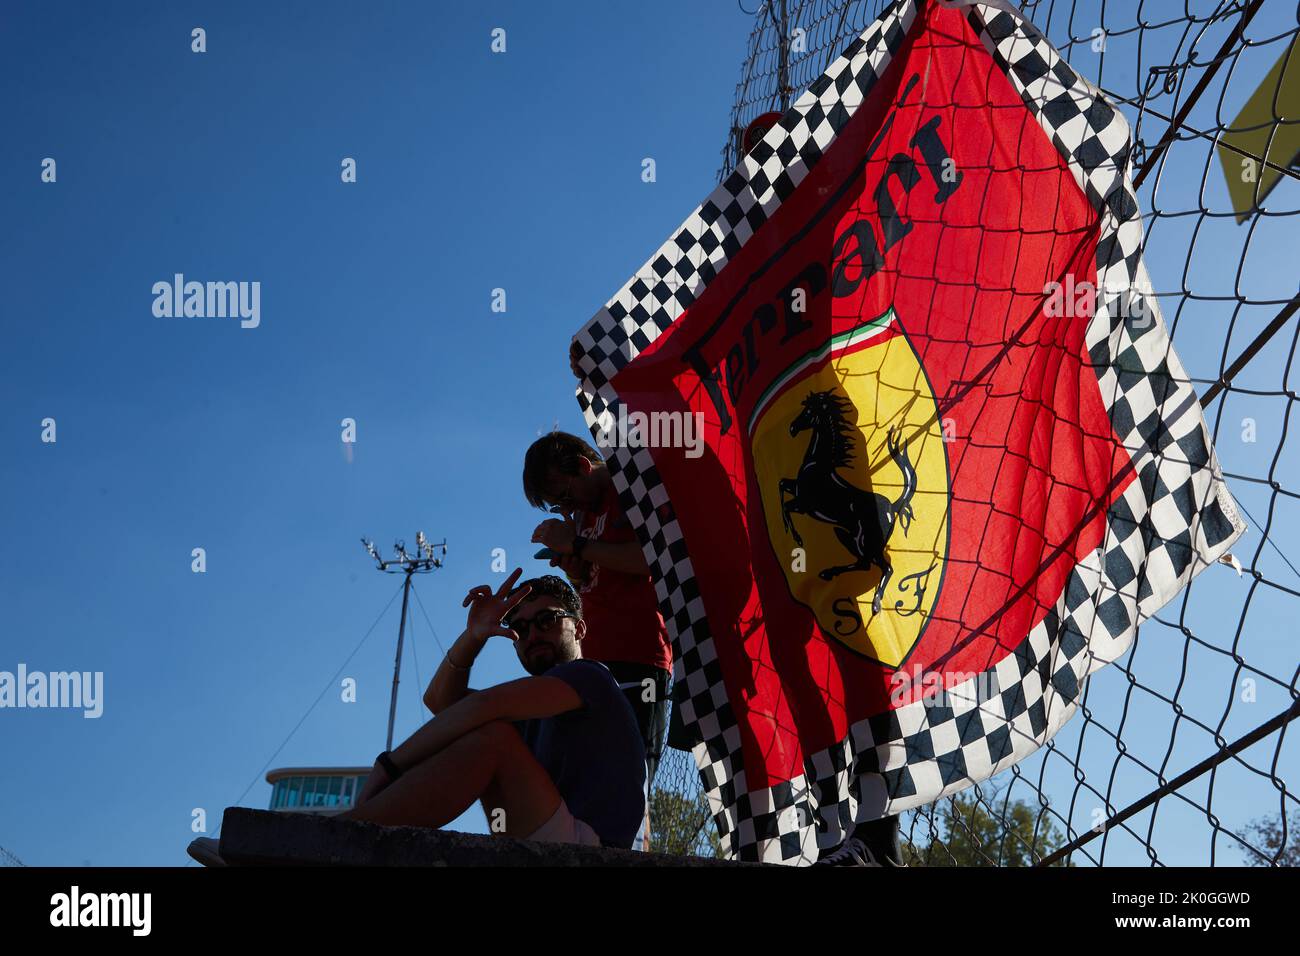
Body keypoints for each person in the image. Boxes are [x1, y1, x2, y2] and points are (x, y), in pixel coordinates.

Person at [186, 570, 646, 865]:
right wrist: (475, 636)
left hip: (591, 851)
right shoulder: (536, 715)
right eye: (520, 627)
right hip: (554, 840)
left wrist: (390, 765)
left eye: (545, 620)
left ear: (578, 627)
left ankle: (333, 837)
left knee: (490, 738)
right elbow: (440, 701)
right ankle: (342, 835)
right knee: (488, 734)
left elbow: (478, 710)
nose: (531, 634)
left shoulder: (589, 677)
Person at [522, 432, 673, 797]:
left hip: (639, 654)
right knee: (583, 777)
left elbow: (652, 559)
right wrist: (575, 567)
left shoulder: (632, 483)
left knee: (628, 783)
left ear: (583, 466)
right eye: (556, 504)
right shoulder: (584, 512)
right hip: (593, 658)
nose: (566, 509)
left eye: (564, 496)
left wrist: (577, 544)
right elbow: (595, 581)